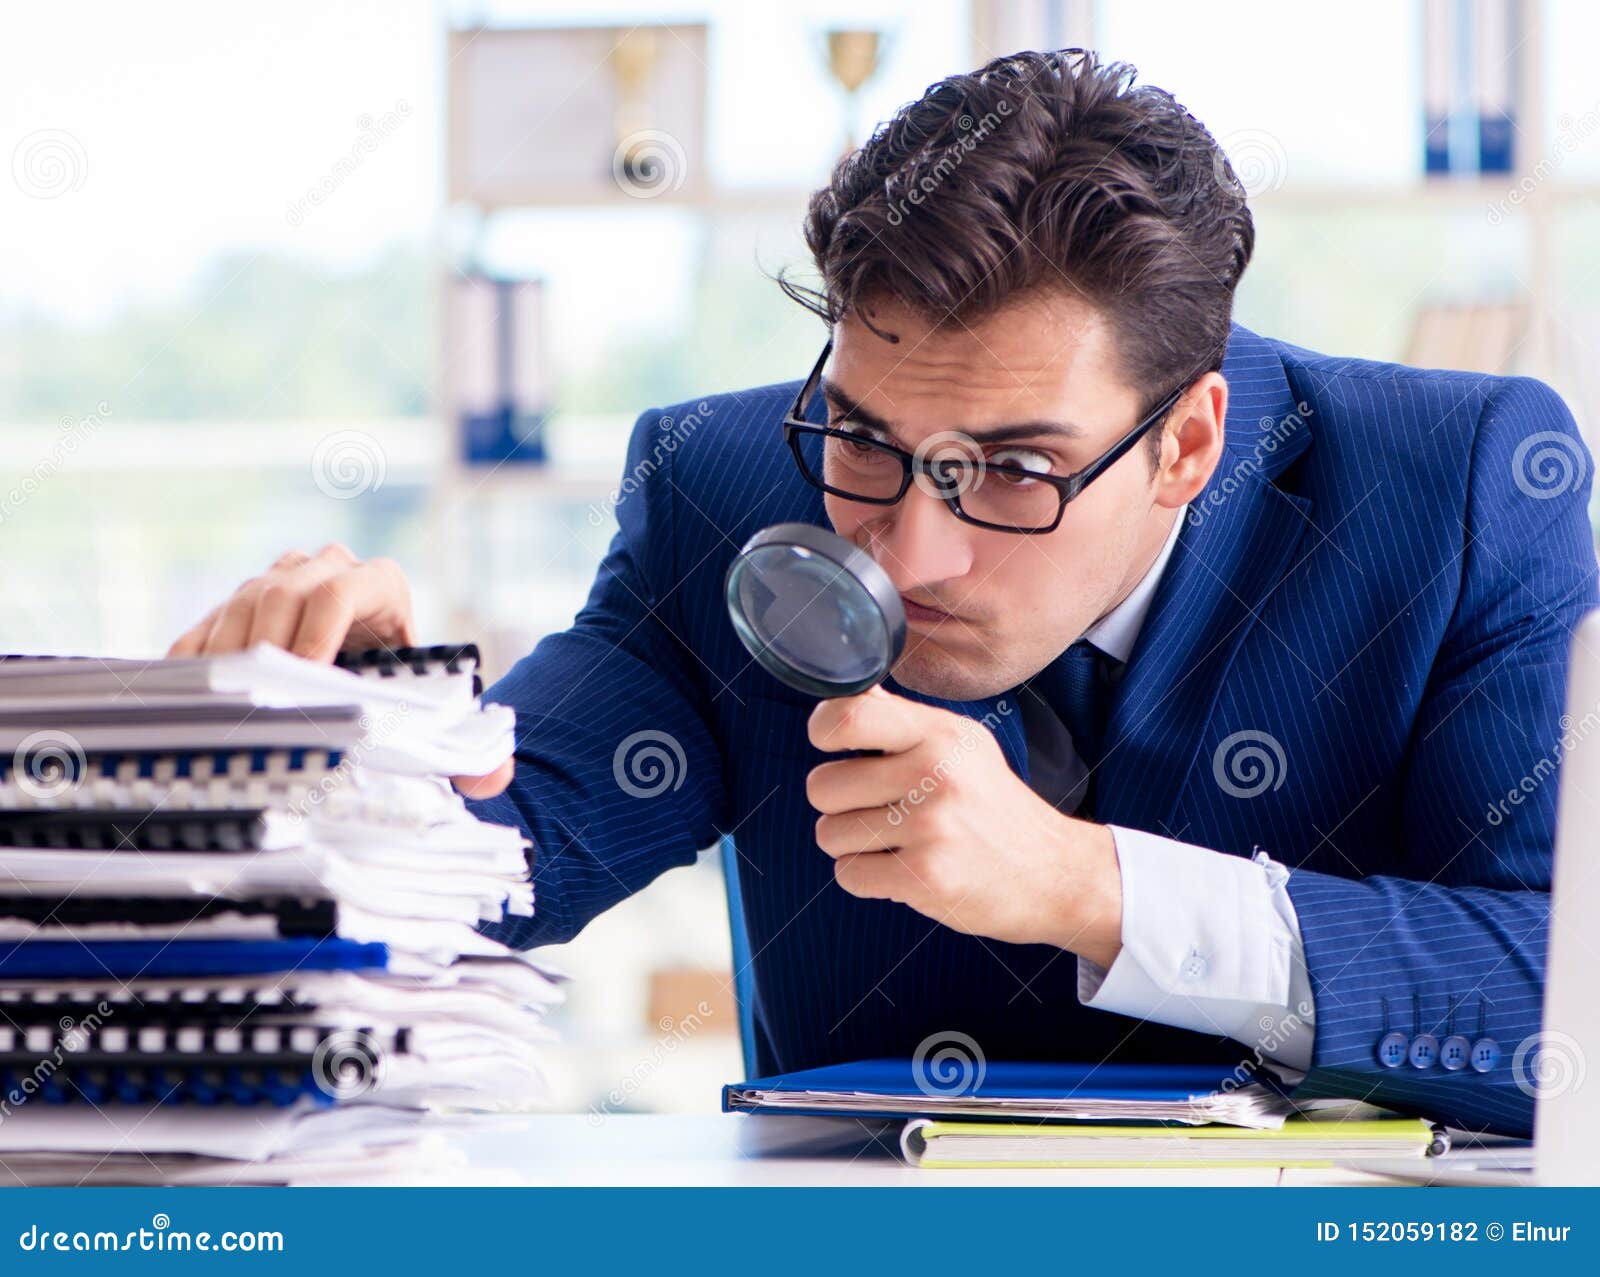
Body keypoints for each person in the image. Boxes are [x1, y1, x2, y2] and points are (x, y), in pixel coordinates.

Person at [172, 49, 1597, 1136]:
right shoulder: (720, 487)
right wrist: (357, 734)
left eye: (1016, 468)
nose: (906, 557)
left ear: (1189, 441)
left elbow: (1561, 1003)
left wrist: (1090, 890)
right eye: (864, 438)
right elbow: (482, 872)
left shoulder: (1459, 489)